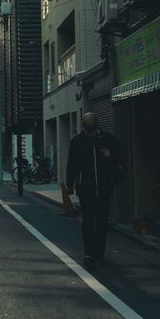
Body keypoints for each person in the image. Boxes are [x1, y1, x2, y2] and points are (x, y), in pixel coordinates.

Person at [63, 113, 127, 269]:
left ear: (97, 125)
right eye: (87, 126)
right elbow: (72, 164)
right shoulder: (77, 142)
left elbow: (121, 158)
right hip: (86, 189)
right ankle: (89, 253)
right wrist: (70, 184)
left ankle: (99, 254)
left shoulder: (108, 140)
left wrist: (110, 156)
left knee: (102, 223)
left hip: (104, 188)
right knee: (88, 222)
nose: (89, 129)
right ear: (83, 125)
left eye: (91, 126)